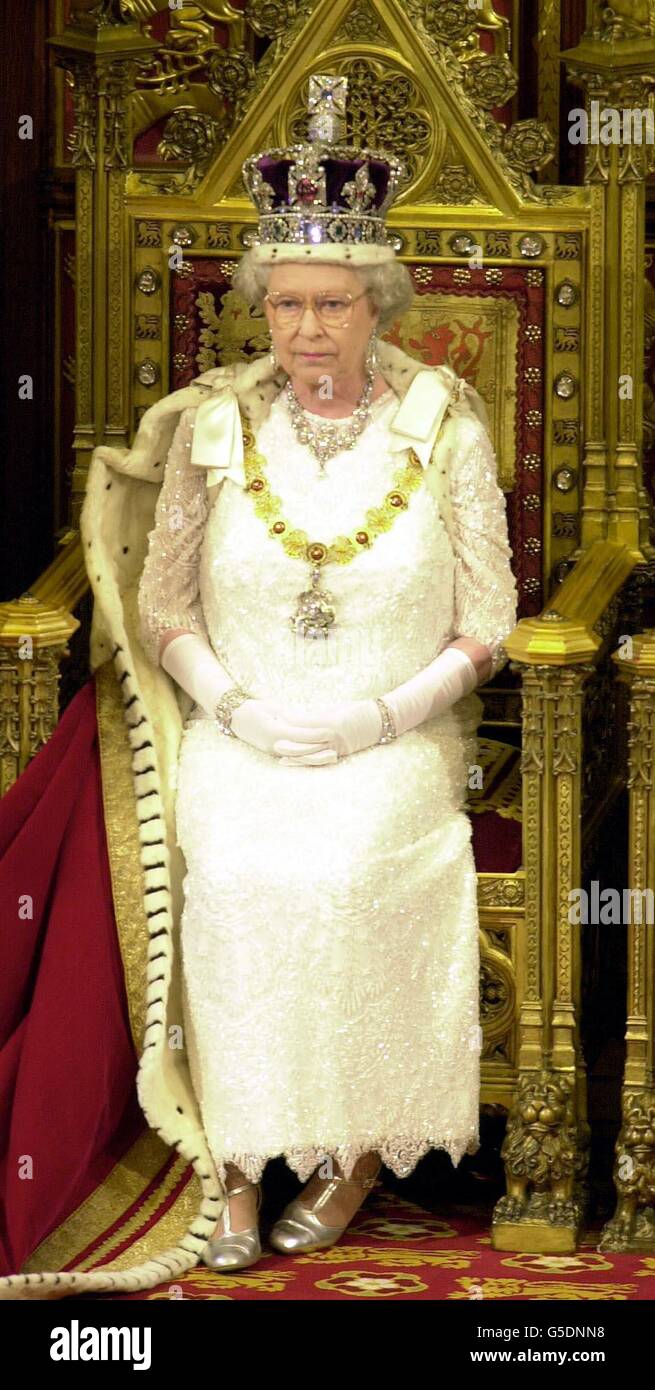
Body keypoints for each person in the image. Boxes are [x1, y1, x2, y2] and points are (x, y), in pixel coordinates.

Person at [0, 73, 517, 1299]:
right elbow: (165, 605)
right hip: (238, 726)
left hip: (394, 731)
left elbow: (491, 618)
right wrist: (234, 709)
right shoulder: (211, 426)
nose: (305, 331)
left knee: (346, 863)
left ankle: (348, 1152)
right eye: (284, 304)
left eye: (331, 304)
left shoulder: (445, 422)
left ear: (378, 305)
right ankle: (229, 1164)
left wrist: (374, 716)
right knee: (224, 862)